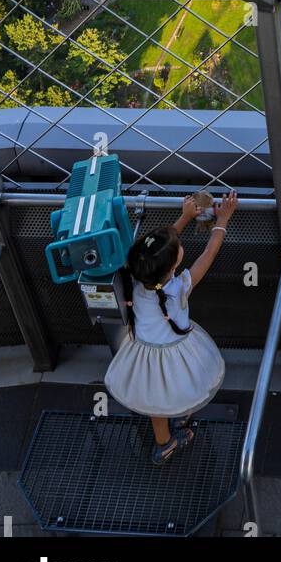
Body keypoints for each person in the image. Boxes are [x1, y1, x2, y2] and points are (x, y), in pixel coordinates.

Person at [105, 191, 238, 464]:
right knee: (184, 385)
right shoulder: (178, 289)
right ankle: (182, 415)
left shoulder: (138, 275)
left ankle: (164, 444)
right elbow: (208, 255)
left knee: (156, 403)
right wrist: (222, 220)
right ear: (174, 263)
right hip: (174, 355)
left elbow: (154, 255)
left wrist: (185, 217)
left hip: (143, 354)